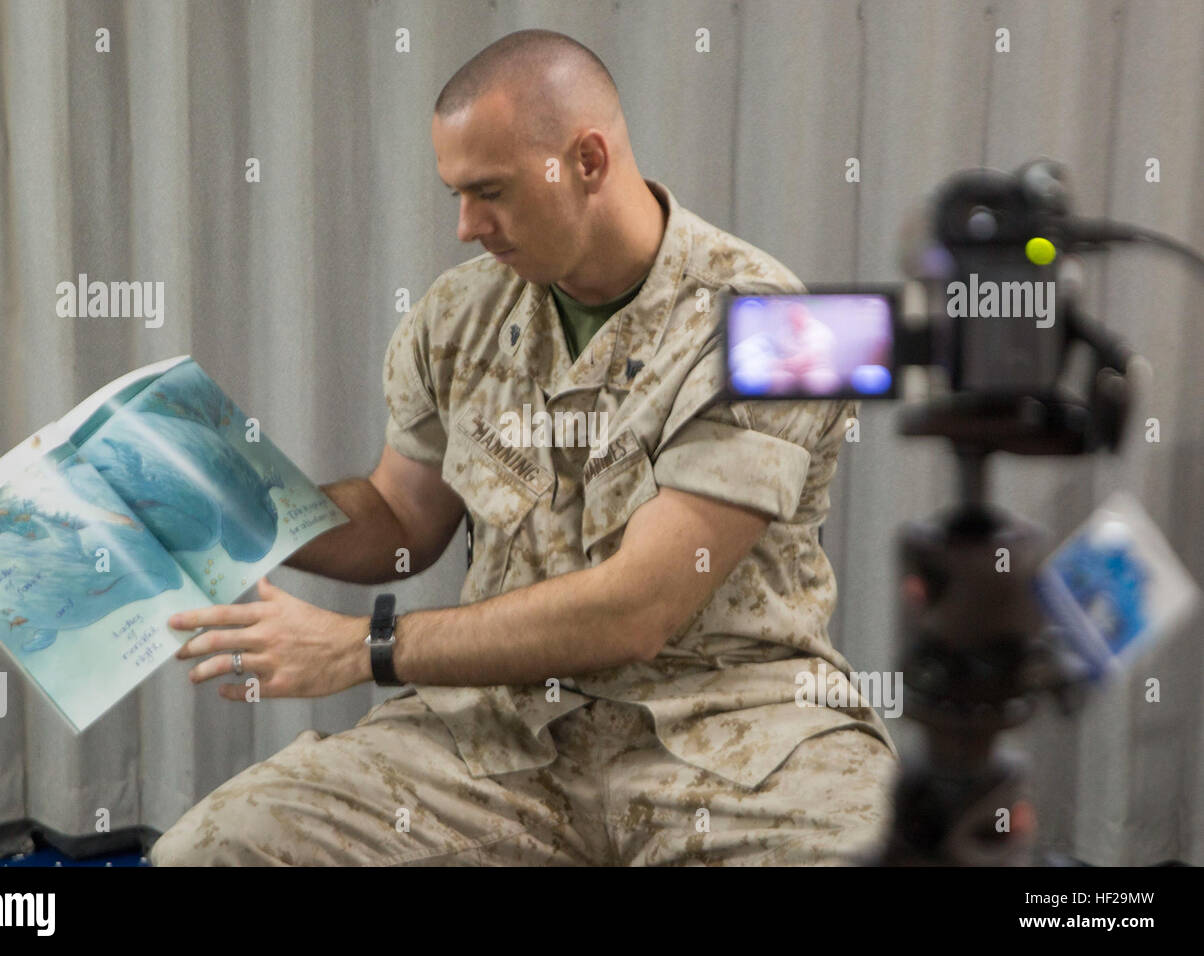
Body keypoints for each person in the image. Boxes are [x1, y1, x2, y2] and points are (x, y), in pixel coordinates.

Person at [149, 28, 897, 867]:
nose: (468, 226)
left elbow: (638, 609)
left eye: (490, 192)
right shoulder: (458, 317)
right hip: (501, 734)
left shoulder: (774, 324)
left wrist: (362, 647)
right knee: (213, 853)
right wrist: (232, 505)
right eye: (456, 195)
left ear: (585, 160)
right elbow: (400, 518)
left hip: (733, 734)